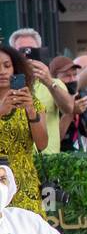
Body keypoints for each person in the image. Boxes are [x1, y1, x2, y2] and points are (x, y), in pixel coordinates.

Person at [7, 28, 72, 154]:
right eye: (21, 51)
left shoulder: (54, 83)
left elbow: (68, 109)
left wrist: (48, 82)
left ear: (40, 52)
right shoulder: (5, 83)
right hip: (15, 160)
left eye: (32, 51)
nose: (26, 55)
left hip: (48, 160)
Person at [0, 46, 48, 213]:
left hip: (25, 186)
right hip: (1, 184)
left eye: (7, 66)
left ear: (16, 69)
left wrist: (31, 112)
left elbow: (42, 145)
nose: (2, 71)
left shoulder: (32, 103)